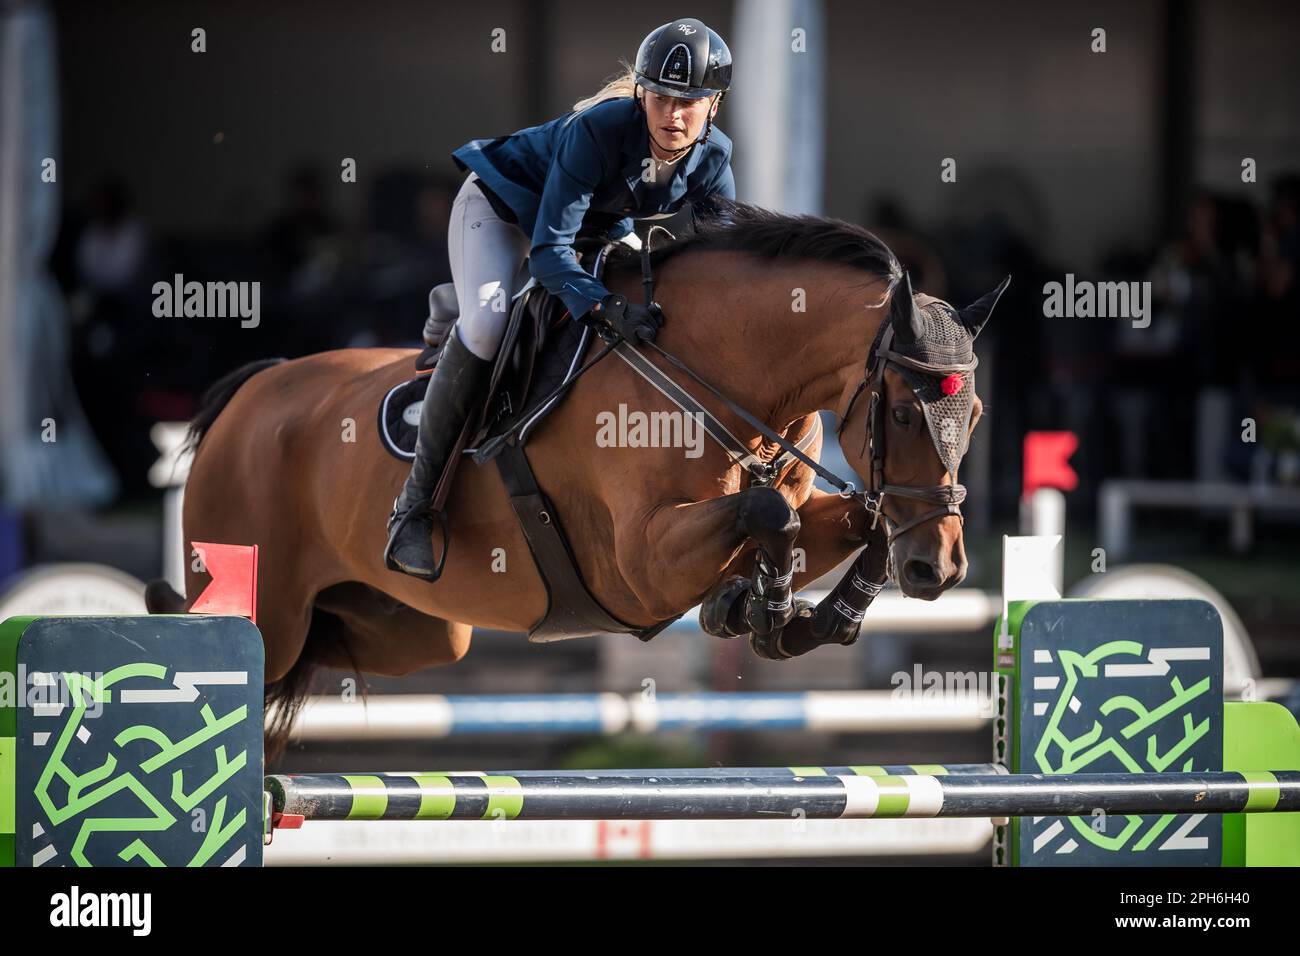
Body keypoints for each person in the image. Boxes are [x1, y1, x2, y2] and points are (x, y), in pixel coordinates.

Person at [385, 17, 736, 580]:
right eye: (662, 98)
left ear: (713, 104)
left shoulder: (714, 159)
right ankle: (413, 507)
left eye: (689, 102)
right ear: (642, 94)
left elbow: (721, 267)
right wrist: (605, 306)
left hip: (591, 226)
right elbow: (550, 252)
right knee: (488, 324)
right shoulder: (599, 130)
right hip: (503, 209)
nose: (673, 115)